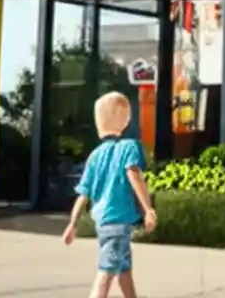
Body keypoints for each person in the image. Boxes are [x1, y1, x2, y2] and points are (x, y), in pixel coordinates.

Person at [62, 92, 158, 298]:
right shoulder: (129, 147)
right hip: (118, 222)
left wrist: (73, 224)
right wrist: (148, 209)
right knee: (105, 273)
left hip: (104, 223)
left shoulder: (94, 156)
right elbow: (134, 177)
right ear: (124, 120)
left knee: (124, 271)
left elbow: (83, 195)